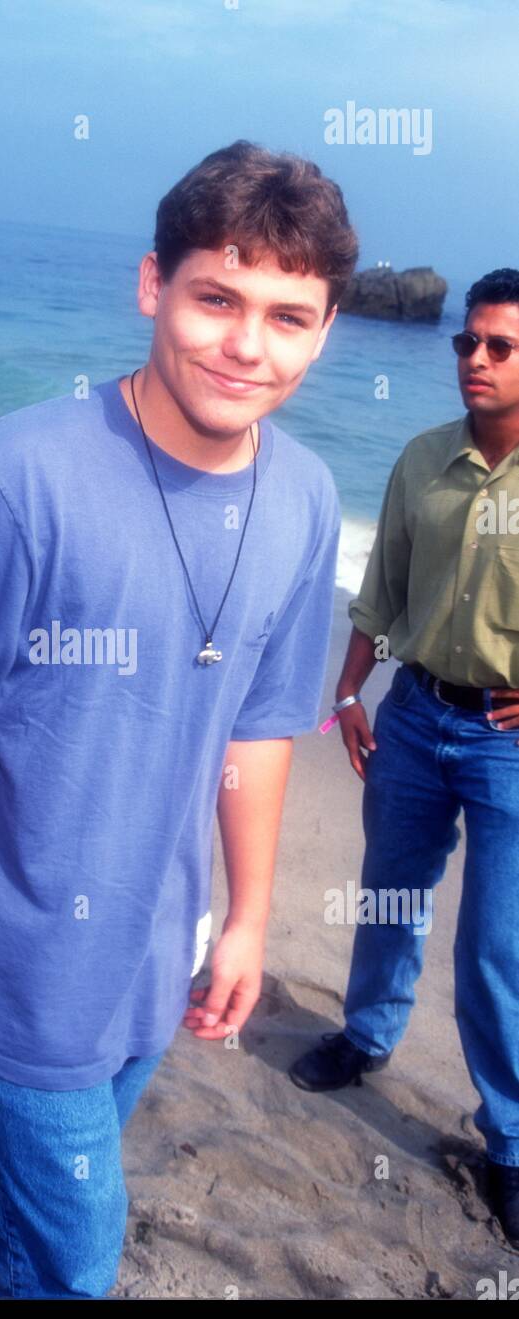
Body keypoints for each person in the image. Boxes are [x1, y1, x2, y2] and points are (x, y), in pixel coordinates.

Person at [0, 139, 358, 1299]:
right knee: (71, 1255)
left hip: (151, 952)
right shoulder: (23, 477)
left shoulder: (311, 499)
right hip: (14, 963)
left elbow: (261, 727)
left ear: (324, 334)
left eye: (287, 315)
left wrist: (248, 921)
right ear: (151, 286)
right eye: (216, 297)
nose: (246, 344)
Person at [289, 268, 519, 1249]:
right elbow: (380, 593)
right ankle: (367, 1035)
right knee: (390, 893)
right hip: (416, 717)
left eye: (498, 346)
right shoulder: (424, 461)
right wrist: (347, 693)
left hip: (510, 746)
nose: (474, 358)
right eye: (466, 342)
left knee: (497, 947)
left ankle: (509, 1141)